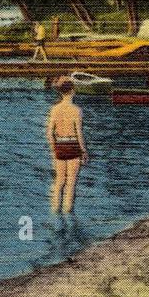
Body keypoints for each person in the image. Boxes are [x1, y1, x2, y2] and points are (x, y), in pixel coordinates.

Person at [46, 78, 87, 214]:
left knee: (59, 182)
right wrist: (84, 151)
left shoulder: (54, 109)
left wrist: (53, 149)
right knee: (71, 183)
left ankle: (54, 212)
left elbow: (49, 132)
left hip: (60, 145)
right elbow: (79, 133)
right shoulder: (77, 110)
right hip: (73, 144)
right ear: (72, 91)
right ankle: (68, 212)